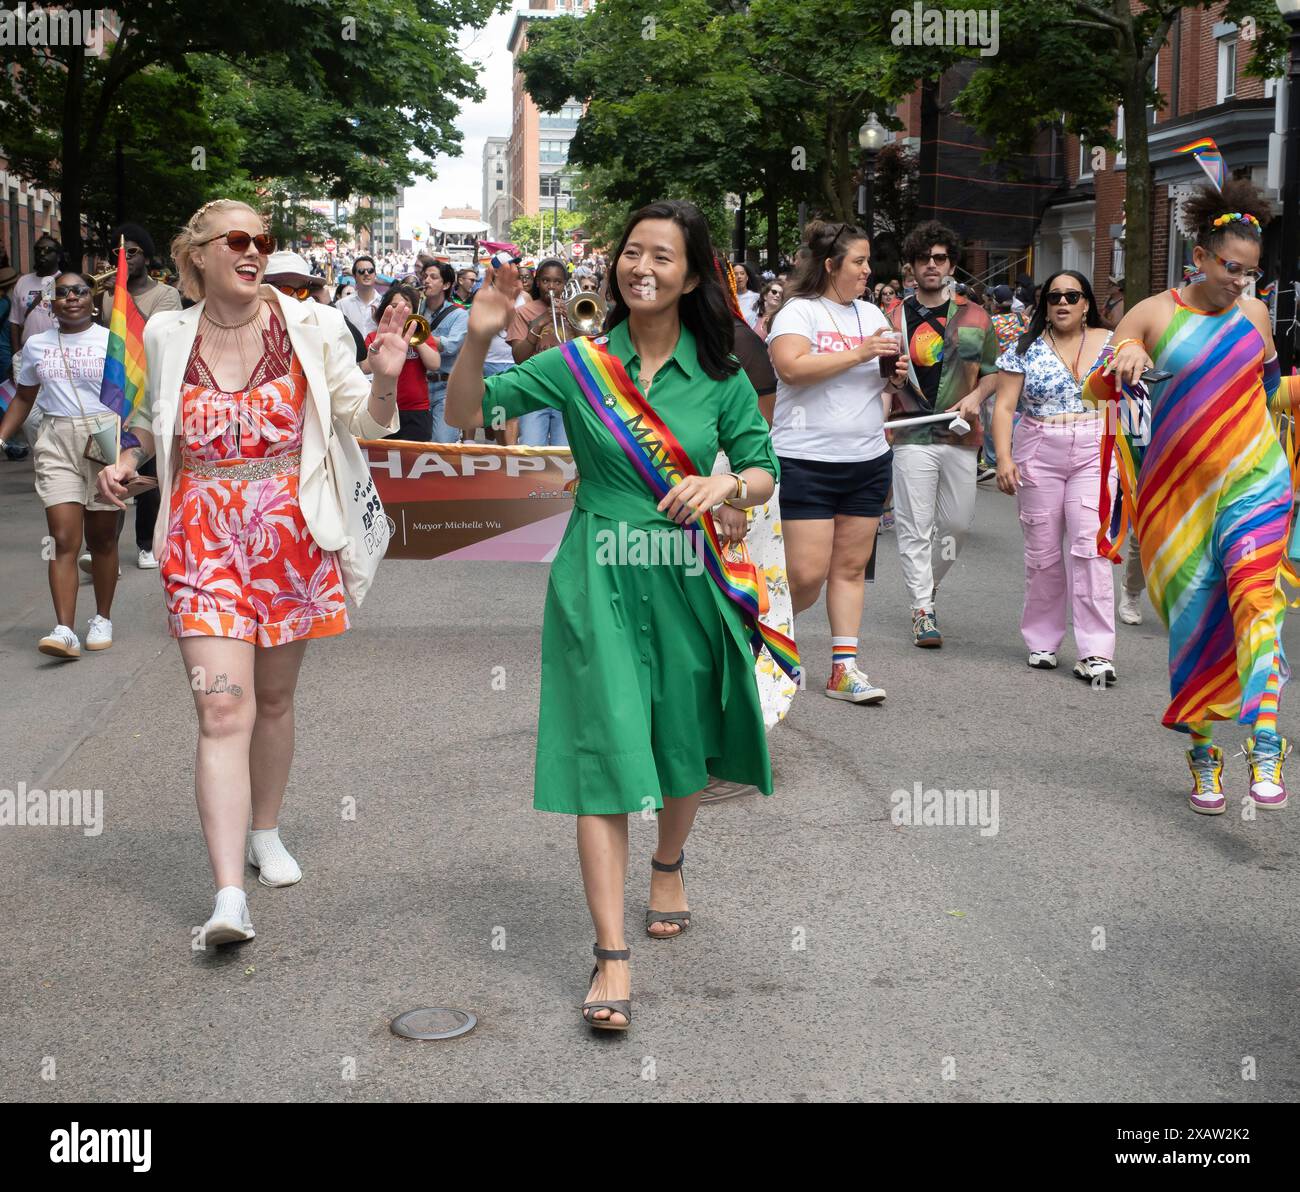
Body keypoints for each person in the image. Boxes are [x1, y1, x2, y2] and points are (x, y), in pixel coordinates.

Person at [445, 199, 785, 1031]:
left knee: (681, 736)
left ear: (693, 274)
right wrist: (481, 334)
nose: (643, 269)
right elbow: (464, 416)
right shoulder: (578, 363)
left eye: (663, 257)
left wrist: (726, 485)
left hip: (683, 569)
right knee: (600, 745)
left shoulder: (721, 373)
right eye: (633, 253)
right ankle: (610, 956)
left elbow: (764, 466)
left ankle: (668, 862)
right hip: (596, 570)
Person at [93, 198, 402, 943]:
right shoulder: (166, 332)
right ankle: (228, 895)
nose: (255, 249)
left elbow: (363, 417)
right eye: (237, 239)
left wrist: (386, 378)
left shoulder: (313, 323)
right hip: (201, 537)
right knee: (221, 708)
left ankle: (266, 829)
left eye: (263, 239)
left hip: (290, 535)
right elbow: (149, 417)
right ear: (195, 254)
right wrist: (129, 460)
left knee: (271, 700)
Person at [1084, 181, 1300, 815]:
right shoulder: (1154, 312)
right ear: (1200, 257)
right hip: (1176, 502)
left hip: (1255, 483)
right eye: (1231, 268)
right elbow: (1104, 379)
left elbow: (1262, 394)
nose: (1240, 282)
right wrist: (1123, 355)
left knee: (1259, 601)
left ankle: (1264, 739)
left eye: (1251, 272)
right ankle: (1204, 754)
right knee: (1195, 626)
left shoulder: (1255, 317)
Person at [768, 220, 906, 703]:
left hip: (866, 459)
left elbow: (880, 382)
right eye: (859, 262)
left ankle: (843, 669)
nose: (869, 270)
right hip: (806, 459)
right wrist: (860, 353)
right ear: (831, 266)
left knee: (849, 569)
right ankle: (761, 641)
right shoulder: (798, 312)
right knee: (805, 574)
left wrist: (892, 375)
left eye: (868, 262)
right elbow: (792, 368)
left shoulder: (872, 314)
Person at [992, 270, 1116, 683]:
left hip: (1095, 448)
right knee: (1043, 552)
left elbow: (1133, 397)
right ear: (1044, 305)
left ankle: (1096, 652)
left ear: (1086, 303)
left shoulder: (1114, 344)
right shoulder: (1023, 349)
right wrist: (1004, 458)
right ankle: (1042, 641)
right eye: (1054, 297)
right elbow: (1005, 407)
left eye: (1072, 296)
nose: (1062, 303)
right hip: (1039, 449)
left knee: (1090, 548)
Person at [887, 220, 1000, 647]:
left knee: (956, 526)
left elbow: (994, 375)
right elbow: (877, 379)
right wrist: (891, 385)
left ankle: (926, 586)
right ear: (912, 267)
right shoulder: (892, 316)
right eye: (923, 259)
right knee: (914, 526)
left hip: (959, 433)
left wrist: (976, 398)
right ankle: (921, 609)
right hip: (911, 432)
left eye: (939, 258)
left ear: (951, 264)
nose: (931, 265)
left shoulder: (976, 316)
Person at [0, 272, 118, 658]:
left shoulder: (111, 341)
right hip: (56, 437)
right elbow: (23, 397)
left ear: (92, 298)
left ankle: (101, 618)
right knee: (63, 537)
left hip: (101, 435)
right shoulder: (36, 345)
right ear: (50, 302)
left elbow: (133, 395)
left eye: (79, 291)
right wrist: (2, 436)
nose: (71, 298)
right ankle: (64, 629)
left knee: (101, 536)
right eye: (62, 293)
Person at [95, 223, 185, 571]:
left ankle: (146, 542)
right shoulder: (105, 295)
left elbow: (155, 334)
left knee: (146, 469)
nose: (124, 258)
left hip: (152, 388)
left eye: (130, 252)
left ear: (146, 256)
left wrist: (122, 300)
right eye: (118, 252)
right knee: (113, 464)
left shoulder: (166, 295)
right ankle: (105, 549)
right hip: (119, 390)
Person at [362, 283, 441, 442]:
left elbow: (435, 364)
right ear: (386, 309)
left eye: (407, 307)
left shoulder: (423, 334)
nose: (400, 310)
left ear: (414, 311)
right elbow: (365, 368)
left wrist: (416, 338)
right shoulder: (374, 336)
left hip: (416, 411)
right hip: (385, 410)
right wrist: (381, 344)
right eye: (394, 306)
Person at [507, 258, 573, 446]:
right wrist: (540, 321)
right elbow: (519, 358)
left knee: (563, 455)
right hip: (535, 392)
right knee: (532, 450)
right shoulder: (522, 312)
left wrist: (574, 320)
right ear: (537, 282)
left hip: (567, 393)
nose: (551, 287)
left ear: (564, 284)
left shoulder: (574, 309)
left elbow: (591, 349)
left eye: (557, 282)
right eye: (545, 281)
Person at [417, 262, 467, 443]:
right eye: (424, 276)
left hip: (445, 389)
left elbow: (452, 345)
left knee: (442, 443)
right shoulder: (416, 309)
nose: (426, 281)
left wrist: (418, 336)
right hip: (417, 387)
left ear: (446, 285)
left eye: (433, 277)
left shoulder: (459, 315)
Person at [337, 254, 380, 338]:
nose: (366, 273)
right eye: (361, 271)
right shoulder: (341, 305)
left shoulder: (385, 304)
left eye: (370, 270)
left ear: (375, 274)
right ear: (355, 276)